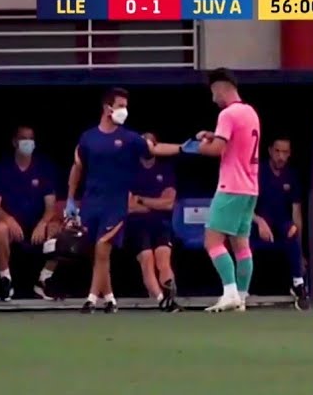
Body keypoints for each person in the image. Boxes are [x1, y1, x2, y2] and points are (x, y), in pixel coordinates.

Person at [150, 68, 262, 313]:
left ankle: (230, 292)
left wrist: (197, 145)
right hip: (250, 187)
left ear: (222, 88)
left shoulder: (228, 114)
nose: (213, 99)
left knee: (212, 240)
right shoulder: (250, 112)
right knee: (241, 244)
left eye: (214, 92)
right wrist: (213, 136)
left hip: (231, 186)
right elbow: (233, 142)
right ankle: (241, 297)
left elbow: (216, 150)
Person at [66, 88, 182, 314]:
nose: (123, 110)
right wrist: (71, 198)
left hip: (116, 206)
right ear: (107, 108)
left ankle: (91, 299)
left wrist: (184, 147)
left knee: (102, 248)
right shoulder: (88, 138)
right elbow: (77, 167)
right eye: (120, 105)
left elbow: (154, 148)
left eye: (125, 106)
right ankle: (110, 299)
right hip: (91, 203)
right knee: (98, 253)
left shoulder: (129, 138)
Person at [0, 125, 61, 300]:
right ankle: (6, 281)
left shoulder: (44, 168)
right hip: (13, 227)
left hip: (37, 224)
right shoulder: (2, 169)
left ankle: (44, 282)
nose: (28, 142)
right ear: (15, 142)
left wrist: (43, 223)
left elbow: (51, 206)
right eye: (23, 138)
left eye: (31, 139)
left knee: (60, 230)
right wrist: (10, 220)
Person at [126, 132, 180, 312]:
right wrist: (155, 203)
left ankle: (170, 298)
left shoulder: (165, 170)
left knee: (163, 260)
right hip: (136, 225)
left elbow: (169, 203)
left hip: (161, 224)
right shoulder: (129, 170)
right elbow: (129, 207)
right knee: (147, 260)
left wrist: (141, 199)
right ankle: (160, 300)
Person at [255, 137, 310, 309]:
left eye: (285, 152)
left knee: (292, 230)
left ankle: (298, 284)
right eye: (277, 151)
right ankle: (240, 291)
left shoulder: (291, 176)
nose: (280, 156)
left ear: (290, 154)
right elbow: (243, 206)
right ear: (270, 151)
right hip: (255, 222)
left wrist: (300, 252)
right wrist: (259, 221)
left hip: (280, 224)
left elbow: (296, 213)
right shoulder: (257, 172)